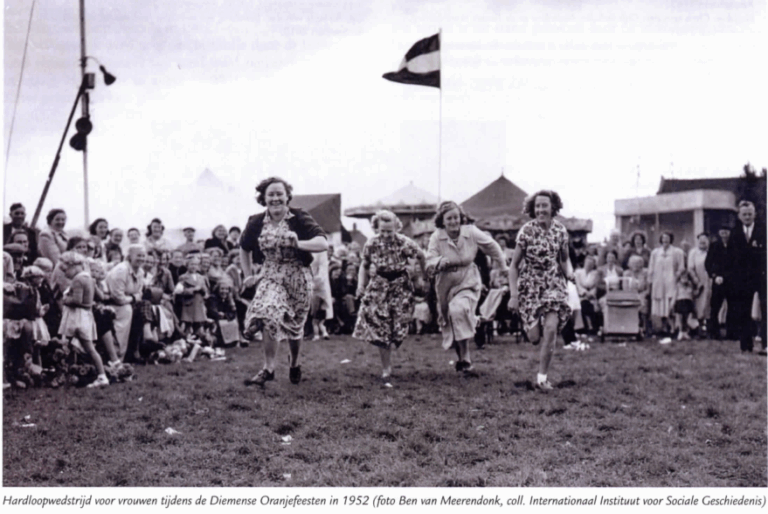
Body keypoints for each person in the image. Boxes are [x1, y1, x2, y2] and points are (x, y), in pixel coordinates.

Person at [240, 177, 328, 387]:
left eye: (280, 193)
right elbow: (244, 248)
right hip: (270, 274)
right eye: (271, 194)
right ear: (264, 198)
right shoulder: (255, 221)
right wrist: (247, 275)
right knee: (268, 310)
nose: (276, 198)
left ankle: (295, 362)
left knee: (295, 326)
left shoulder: (299, 217)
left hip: (298, 275)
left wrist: (300, 243)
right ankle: (268, 368)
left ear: (287, 196)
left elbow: (322, 243)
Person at [427, 201, 507, 373]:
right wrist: (439, 262)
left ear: (461, 217)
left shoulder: (470, 231)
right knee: (452, 319)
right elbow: (429, 260)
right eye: (449, 218)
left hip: (468, 279)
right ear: (442, 220)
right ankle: (463, 358)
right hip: (445, 283)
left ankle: (467, 356)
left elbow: (492, 246)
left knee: (458, 309)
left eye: (456, 217)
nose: (454, 221)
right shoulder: (436, 237)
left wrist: (503, 267)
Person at [508, 191, 572, 391]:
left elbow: (563, 258)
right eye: (537, 206)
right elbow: (513, 266)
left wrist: (569, 273)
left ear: (553, 207)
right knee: (535, 337)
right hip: (530, 286)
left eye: (544, 205)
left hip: (553, 283)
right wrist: (514, 296)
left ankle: (542, 378)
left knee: (551, 329)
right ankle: (532, 326)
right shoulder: (526, 231)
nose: (540, 210)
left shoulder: (561, 231)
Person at [353, 210, 425, 380]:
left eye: (389, 231)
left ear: (396, 228)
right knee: (381, 327)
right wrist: (360, 285)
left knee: (399, 327)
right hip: (379, 285)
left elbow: (421, 256)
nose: (385, 235)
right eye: (382, 231)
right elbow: (364, 265)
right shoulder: (371, 243)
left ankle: (392, 341)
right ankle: (386, 367)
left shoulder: (404, 242)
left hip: (401, 285)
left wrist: (420, 277)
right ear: (376, 228)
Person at [57, 252, 109, 388]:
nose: (65, 274)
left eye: (65, 270)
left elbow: (76, 300)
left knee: (88, 348)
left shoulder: (78, 279)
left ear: (74, 266)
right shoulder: (90, 278)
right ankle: (69, 376)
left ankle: (102, 376)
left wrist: (65, 300)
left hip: (77, 317)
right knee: (70, 346)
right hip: (85, 315)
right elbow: (101, 296)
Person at [728, 200, 766, 353]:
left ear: (755, 214)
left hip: (762, 277)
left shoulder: (764, 231)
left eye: (750, 214)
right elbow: (731, 258)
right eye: (744, 214)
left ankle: (766, 344)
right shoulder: (735, 234)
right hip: (742, 280)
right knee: (743, 311)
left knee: (765, 310)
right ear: (739, 216)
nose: (747, 217)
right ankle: (746, 345)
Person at [105, 245, 146, 359]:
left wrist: (133, 298)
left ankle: (133, 352)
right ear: (129, 256)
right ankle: (117, 355)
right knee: (126, 311)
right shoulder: (121, 270)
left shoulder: (140, 271)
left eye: (143, 256)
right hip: (112, 304)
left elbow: (140, 293)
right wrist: (133, 298)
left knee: (143, 309)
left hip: (127, 303)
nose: (141, 259)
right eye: (138, 255)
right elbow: (118, 298)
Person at [648, 231, 685, 336]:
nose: (665, 240)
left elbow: (681, 267)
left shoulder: (677, 252)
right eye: (663, 238)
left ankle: (673, 328)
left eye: (667, 238)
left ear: (671, 239)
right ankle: (664, 328)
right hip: (658, 283)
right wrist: (650, 282)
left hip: (671, 282)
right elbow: (651, 268)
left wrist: (676, 277)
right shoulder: (655, 253)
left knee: (671, 305)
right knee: (660, 306)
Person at [705, 225, 736, 339]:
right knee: (715, 307)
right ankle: (714, 332)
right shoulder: (714, 246)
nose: (724, 235)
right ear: (719, 233)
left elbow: (738, 264)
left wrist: (731, 277)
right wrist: (714, 276)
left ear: (729, 233)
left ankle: (731, 333)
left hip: (731, 281)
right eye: (722, 232)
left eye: (726, 232)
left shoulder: (734, 245)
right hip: (718, 281)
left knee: (732, 307)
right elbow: (708, 263)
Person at [687, 232, 711, 336]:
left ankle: (709, 327)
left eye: (705, 239)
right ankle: (697, 328)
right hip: (698, 282)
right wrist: (696, 281)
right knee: (698, 305)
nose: (703, 241)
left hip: (710, 281)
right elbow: (690, 268)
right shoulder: (693, 252)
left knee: (708, 304)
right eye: (700, 240)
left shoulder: (711, 251)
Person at [310, 247, 333, 341]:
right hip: (323, 310)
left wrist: (312, 312)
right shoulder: (323, 293)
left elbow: (314, 307)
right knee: (321, 323)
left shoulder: (315, 294)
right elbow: (326, 303)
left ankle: (316, 335)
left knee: (315, 323)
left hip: (316, 310)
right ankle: (324, 333)